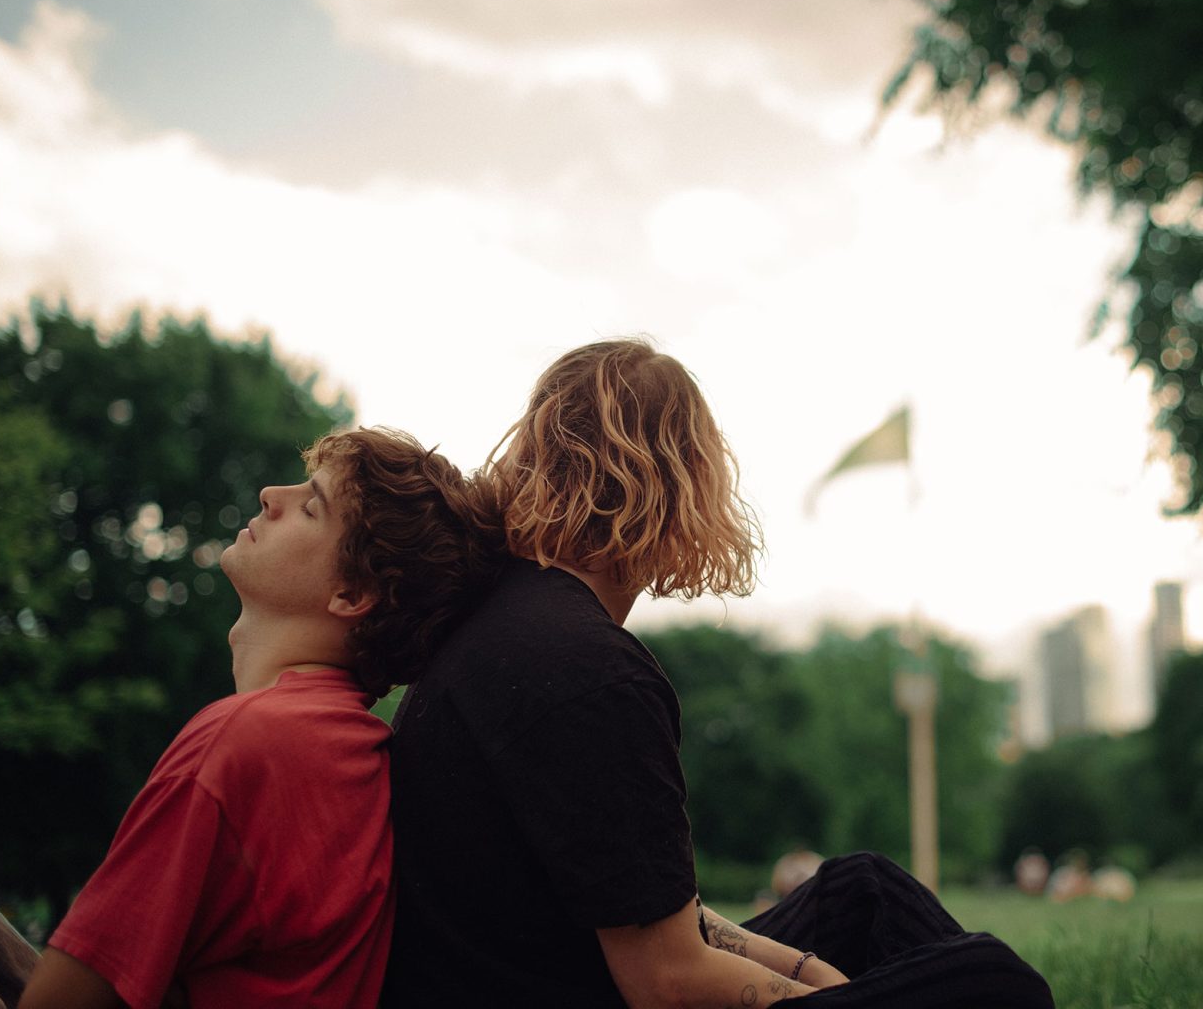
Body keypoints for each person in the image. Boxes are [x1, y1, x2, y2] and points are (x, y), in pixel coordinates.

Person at [383, 339, 1054, 1009]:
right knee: (996, 983)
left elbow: (648, 913)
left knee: (863, 893)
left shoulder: (504, 618)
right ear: (686, 484)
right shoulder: (592, 674)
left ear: (533, 455)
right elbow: (666, 983)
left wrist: (806, 968)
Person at [17, 427, 497, 1009]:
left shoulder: (244, 743)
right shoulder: (353, 750)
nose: (272, 494)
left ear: (351, 593)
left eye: (312, 505)